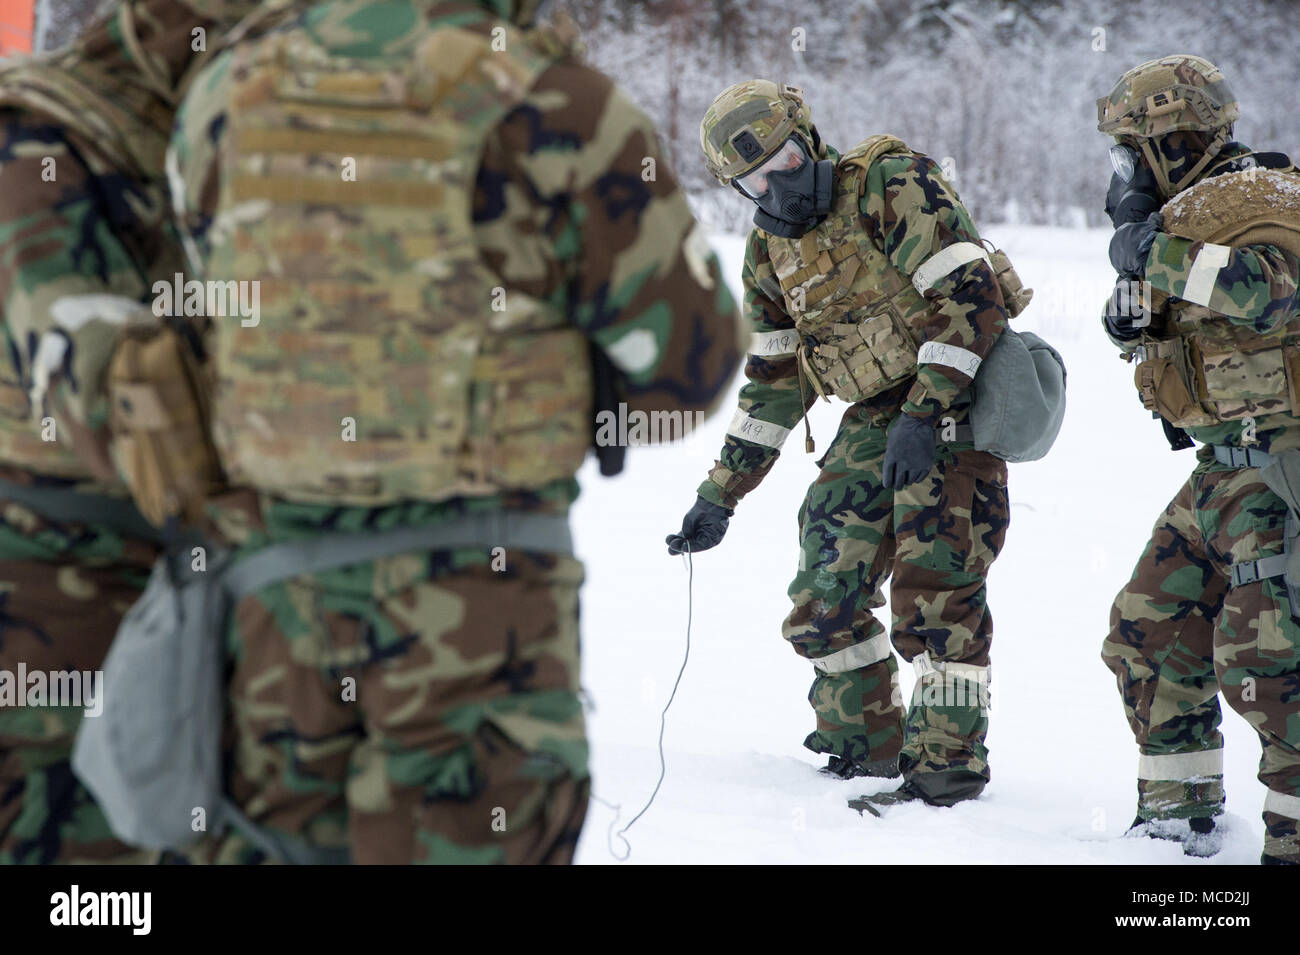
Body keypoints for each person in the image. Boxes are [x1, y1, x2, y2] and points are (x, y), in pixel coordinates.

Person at [163, 0, 743, 863]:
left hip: (272, 606)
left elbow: (195, 318)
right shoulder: (556, 102)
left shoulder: (222, 92)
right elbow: (692, 365)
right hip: (479, 605)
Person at [668, 79, 1012, 809]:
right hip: (872, 415)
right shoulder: (768, 255)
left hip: (954, 391)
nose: (777, 183)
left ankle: (946, 768)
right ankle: (867, 744)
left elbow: (970, 298)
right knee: (824, 594)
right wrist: (718, 495)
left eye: (785, 159)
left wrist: (927, 411)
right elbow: (772, 382)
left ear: (810, 139)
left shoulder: (890, 182)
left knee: (938, 591)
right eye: (754, 178)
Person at [0, 0, 260, 864]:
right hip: (61, 616)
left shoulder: (257, 140)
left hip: (218, 615)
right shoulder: (42, 136)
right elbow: (105, 381)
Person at [1099, 54, 1300, 864]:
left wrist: (1150, 253)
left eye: (1130, 152)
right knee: (1149, 627)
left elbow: (1263, 291)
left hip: (1281, 465)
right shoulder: (1189, 218)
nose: (1122, 172)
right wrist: (1132, 318)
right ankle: (1177, 814)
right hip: (1220, 467)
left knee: (1269, 656)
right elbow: (1182, 329)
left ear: (1173, 141)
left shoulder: (1269, 199)